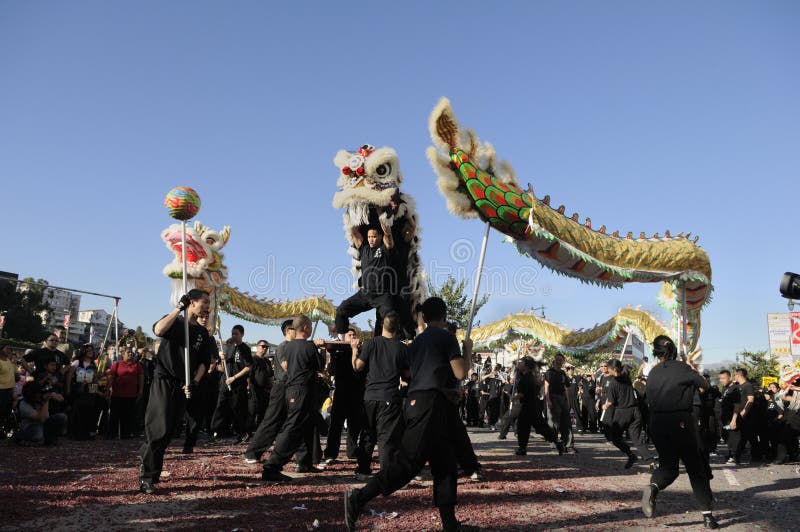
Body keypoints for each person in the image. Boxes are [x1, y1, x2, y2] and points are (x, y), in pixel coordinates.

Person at [343, 297, 473, 532]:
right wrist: (468, 351)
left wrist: (445, 392)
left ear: (424, 317)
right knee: (408, 463)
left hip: (421, 402)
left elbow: (419, 377)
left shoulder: (416, 343)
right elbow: (461, 372)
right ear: (444, 316)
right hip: (429, 406)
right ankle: (359, 497)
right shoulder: (446, 337)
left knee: (445, 463)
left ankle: (450, 524)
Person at [138, 289, 214, 495]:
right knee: (159, 427)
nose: (207, 306)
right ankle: (147, 476)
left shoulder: (202, 333)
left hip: (184, 384)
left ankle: (147, 457)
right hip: (164, 380)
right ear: (192, 303)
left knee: (171, 430)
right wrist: (178, 309)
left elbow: (204, 363)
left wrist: (195, 382)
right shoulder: (176, 322)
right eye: (204, 302)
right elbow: (158, 330)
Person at [642, 335, 718, 529]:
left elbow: (647, 397)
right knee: (695, 468)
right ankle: (707, 516)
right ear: (674, 350)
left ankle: (653, 487)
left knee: (668, 466)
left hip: (657, 422)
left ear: (656, 352)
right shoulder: (683, 368)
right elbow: (705, 385)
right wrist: (691, 367)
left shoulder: (653, 372)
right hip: (680, 421)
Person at [261, 315, 323, 480]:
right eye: (310, 326)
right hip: (301, 391)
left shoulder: (287, 347)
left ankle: (304, 462)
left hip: (294, 390)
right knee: (292, 428)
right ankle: (271, 467)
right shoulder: (309, 347)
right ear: (305, 328)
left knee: (307, 427)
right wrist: (320, 349)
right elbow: (319, 365)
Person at [352, 311, 409, 478]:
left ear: (382, 324)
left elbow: (357, 366)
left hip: (370, 396)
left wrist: (354, 350)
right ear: (398, 328)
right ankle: (386, 474)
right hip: (390, 397)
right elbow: (407, 374)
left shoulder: (371, 343)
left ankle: (363, 470)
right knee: (386, 438)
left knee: (367, 435)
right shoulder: (402, 348)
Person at [335, 224, 398, 339]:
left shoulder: (384, 249)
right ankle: (341, 338)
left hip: (382, 295)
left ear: (380, 237)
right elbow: (355, 233)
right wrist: (353, 217)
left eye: (374, 236)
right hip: (365, 294)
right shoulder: (364, 249)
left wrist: (387, 232)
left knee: (389, 318)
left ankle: (382, 342)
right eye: (369, 237)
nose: (371, 239)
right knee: (341, 310)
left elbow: (388, 239)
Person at [245, 319, 295, 463]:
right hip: (281, 388)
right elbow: (287, 366)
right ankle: (252, 453)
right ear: (288, 330)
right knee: (271, 421)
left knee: (296, 421)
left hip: (288, 388)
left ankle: (307, 457)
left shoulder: (293, 346)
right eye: (295, 328)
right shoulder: (283, 346)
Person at [324, 326, 366, 464]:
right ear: (343, 337)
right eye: (349, 335)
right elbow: (331, 371)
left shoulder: (361, 351)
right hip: (341, 392)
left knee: (355, 424)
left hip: (357, 392)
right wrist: (330, 354)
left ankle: (352, 452)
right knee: (336, 424)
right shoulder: (338, 351)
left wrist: (355, 350)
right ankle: (331, 453)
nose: (352, 337)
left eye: (354, 335)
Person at [211, 324, 253, 442]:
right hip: (225, 382)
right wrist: (220, 357)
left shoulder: (245, 349)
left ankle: (240, 432)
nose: (234, 336)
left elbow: (249, 367)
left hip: (238, 383)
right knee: (221, 406)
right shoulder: (228, 347)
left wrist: (234, 377)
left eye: (236, 334)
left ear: (242, 334)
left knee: (237, 408)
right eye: (232, 333)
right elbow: (220, 365)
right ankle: (217, 431)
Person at [514, 356, 562, 456]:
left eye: (522, 362)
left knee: (523, 427)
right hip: (534, 405)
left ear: (526, 366)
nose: (519, 364)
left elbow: (522, 394)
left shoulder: (526, 378)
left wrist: (513, 398)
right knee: (539, 427)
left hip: (528, 405)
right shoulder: (531, 376)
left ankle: (522, 448)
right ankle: (556, 442)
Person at [602, 359, 645, 468]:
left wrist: (605, 406)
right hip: (635, 411)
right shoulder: (627, 378)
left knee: (615, 438)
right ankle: (649, 458)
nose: (607, 370)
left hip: (623, 412)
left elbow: (611, 401)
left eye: (609, 368)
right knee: (636, 438)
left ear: (613, 369)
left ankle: (631, 455)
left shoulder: (613, 382)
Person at [15, 380, 67, 446]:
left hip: (43, 425)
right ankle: (23, 438)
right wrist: (46, 401)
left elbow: (61, 399)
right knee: (38, 434)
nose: (40, 395)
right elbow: (42, 419)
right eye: (38, 393)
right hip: (30, 427)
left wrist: (53, 395)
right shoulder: (24, 405)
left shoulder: (41, 396)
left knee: (62, 417)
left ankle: (47, 439)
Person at [107, 346, 144, 439]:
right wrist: (108, 389)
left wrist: (140, 390)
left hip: (131, 395)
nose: (131, 353)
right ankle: (112, 434)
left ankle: (125, 434)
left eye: (131, 352)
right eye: (128, 352)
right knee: (114, 415)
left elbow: (141, 378)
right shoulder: (117, 364)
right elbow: (111, 377)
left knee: (127, 415)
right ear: (123, 355)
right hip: (117, 394)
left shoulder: (137, 365)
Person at [65, 344, 101, 440]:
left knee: (88, 410)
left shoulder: (93, 364)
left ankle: (85, 432)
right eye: (88, 350)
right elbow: (69, 376)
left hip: (90, 390)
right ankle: (75, 433)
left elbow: (95, 378)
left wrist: (94, 391)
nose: (90, 352)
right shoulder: (77, 362)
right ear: (83, 351)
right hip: (78, 389)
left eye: (92, 350)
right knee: (77, 410)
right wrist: (68, 389)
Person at [545, 353, 574, 452]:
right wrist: (548, 400)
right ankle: (554, 444)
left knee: (566, 422)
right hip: (552, 397)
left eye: (560, 360)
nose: (558, 362)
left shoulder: (562, 373)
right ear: (554, 361)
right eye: (557, 360)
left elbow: (565, 388)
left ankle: (568, 445)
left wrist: (568, 401)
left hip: (562, 399)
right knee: (554, 423)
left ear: (563, 362)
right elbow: (546, 387)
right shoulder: (549, 372)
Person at [248, 340, 274, 434]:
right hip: (254, 388)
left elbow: (271, 375)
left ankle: (260, 432)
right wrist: (248, 386)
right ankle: (248, 432)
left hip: (266, 390)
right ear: (257, 347)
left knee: (263, 411)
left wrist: (272, 387)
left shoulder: (267, 361)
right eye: (263, 346)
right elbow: (248, 375)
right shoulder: (253, 359)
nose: (265, 348)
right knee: (252, 410)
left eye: (267, 347)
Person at [0, 342, 19, 429]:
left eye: (10, 349)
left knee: (7, 411)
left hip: (10, 390)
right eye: (7, 348)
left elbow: (13, 375)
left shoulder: (8, 361)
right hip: (1, 391)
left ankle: (4, 429)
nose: (10, 351)